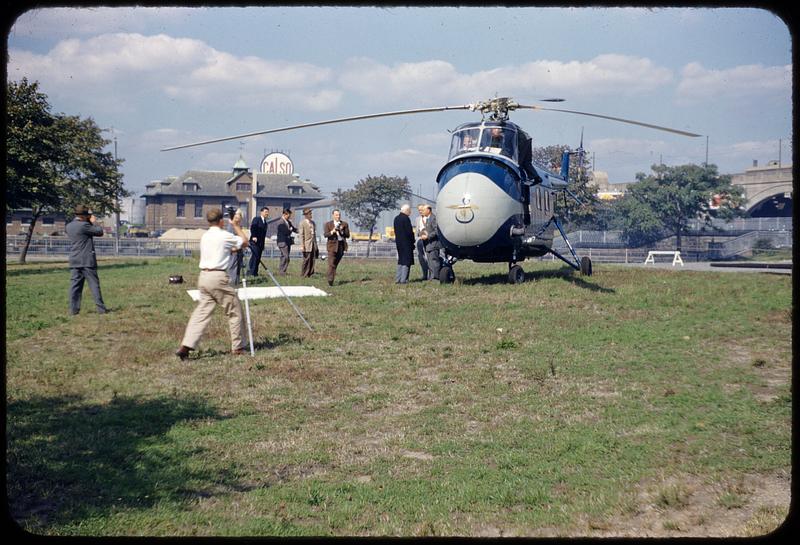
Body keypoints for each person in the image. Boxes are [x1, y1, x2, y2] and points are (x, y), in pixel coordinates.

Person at [176, 208, 249, 360]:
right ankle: (238, 346)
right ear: (221, 221)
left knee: (201, 313)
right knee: (234, 310)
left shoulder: (205, 236)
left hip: (203, 277)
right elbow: (245, 242)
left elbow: (224, 250)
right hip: (218, 277)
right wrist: (235, 225)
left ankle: (186, 345)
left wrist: (231, 250)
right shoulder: (224, 235)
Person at [66, 205, 108, 315]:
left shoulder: (69, 226)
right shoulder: (84, 225)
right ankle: (101, 309)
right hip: (87, 260)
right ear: (84, 216)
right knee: (94, 284)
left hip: (74, 259)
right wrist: (94, 222)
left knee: (75, 286)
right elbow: (99, 232)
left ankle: (73, 310)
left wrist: (88, 222)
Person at [323, 209, 350, 286]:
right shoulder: (328, 224)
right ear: (333, 215)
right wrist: (332, 231)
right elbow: (325, 234)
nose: (338, 216)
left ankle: (331, 276)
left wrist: (341, 231)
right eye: (336, 215)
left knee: (335, 264)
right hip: (332, 246)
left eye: (339, 215)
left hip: (341, 246)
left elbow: (348, 235)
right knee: (331, 263)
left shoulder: (344, 224)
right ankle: (330, 280)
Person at [393, 204, 415, 284]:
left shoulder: (396, 218)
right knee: (407, 261)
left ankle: (398, 279)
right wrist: (413, 241)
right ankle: (404, 279)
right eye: (409, 211)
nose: (410, 212)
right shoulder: (406, 219)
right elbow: (409, 232)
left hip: (399, 243)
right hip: (407, 243)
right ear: (406, 210)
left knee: (400, 260)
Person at [420, 205, 441, 280]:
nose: (422, 212)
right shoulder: (428, 219)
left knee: (434, 261)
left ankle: (436, 277)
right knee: (430, 262)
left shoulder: (433, 218)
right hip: (428, 245)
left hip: (433, 244)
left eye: (424, 210)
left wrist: (428, 236)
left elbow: (436, 231)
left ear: (429, 210)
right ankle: (431, 277)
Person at [247, 206, 270, 277]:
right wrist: (254, 236)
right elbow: (253, 227)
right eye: (266, 212)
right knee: (255, 256)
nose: (267, 213)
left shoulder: (265, 222)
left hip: (260, 243)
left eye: (267, 212)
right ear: (261, 212)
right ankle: (251, 272)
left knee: (258, 257)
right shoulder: (256, 219)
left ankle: (255, 272)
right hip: (254, 242)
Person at [276, 208, 297, 275]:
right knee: (286, 257)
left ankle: (282, 272)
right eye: (288, 215)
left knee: (284, 257)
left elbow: (293, 229)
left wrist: (299, 231)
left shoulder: (288, 222)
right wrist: (290, 230)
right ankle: (282, 271)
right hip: (282, 242)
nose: (289, 217)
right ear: (285, 214)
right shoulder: (280, 222)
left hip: (287, 242)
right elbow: (285, 232)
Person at [298, 207, 319, 278]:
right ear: (306, 215)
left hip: (313, 243)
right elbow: (301, 235)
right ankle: (304, 274)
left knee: (313, 259)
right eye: (310, 213)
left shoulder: (313, 223)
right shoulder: (302, 223)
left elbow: (314, 234)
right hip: (307, 244)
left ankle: (311, 273)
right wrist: (302, 245)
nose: (311, 215)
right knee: (306, 259)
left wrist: (316, 244)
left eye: (311, 213)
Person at [227, 208, 244, 286]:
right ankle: (232, 281)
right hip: (233, 248)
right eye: (237, 216)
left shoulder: (238, 226)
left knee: (238, 264)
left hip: (239, 247)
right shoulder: (231, 225)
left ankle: (236, 281)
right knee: (232, 264)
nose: (238, 218)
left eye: (239, 216)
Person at [416, 204, 429, 280]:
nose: (420, 211)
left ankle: (430, 275)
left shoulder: (430, 218)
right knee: (421, 258)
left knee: (428, 258)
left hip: (427, 239)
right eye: (419, 210)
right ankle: (424, 274)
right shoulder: (417, 219)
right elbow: (417, 230)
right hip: (419, 239)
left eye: (422, 210)